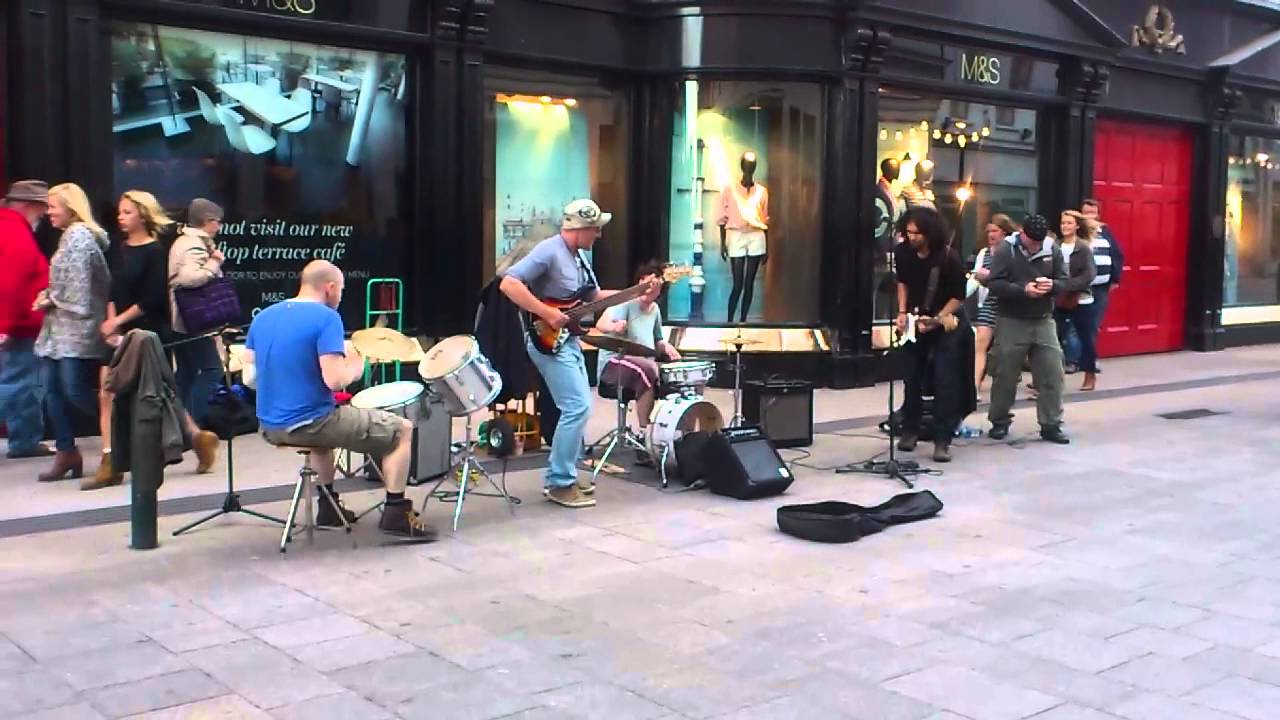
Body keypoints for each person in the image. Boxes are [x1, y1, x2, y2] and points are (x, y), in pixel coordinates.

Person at [242, 260, 435, 539]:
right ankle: (396, 512)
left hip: (269, 426)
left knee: (324, 434)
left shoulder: (264, 317)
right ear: (330, 288)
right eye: (341, 290)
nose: (341, 296)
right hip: (310, 422)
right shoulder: (326, 318)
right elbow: (335, 380)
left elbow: (250, 378)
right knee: (401, 429)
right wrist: (358, 363)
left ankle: (328, 507)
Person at [500, 198, 646, 508]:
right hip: (547, 340)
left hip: (567, 340)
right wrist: (546, 312)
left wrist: (637, 292)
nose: (599, 235)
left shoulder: (579, 258)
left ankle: (562, 475)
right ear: (580, 227)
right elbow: (509, 284)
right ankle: (559, 482)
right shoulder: (548, 251)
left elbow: (593, 297)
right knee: (577, 406)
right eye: (596, 229)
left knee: (578, 407)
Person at [87, 190, 219, 490]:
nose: (121, 218)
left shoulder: (156, 252)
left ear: (143, 215)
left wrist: (118, 322)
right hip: (116, 329)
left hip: (146, 330)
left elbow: (153, 299)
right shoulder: (117, 250)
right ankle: (110, 459)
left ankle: (196, 437)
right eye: (119, 212)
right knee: (107, 392)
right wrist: (110, 323)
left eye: (128, 212)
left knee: (158, 394)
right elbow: (112, 290)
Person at [34, 183, 112, 481]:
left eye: (53, 206)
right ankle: (66, 451)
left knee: (74, 390)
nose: (49, 212)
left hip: (77, 330)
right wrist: (50, 295)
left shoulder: (79, 238)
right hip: (59, 331)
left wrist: (48, 299)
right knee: (52, 391)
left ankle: (122, 428)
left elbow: (76, 294)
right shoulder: (69, 238)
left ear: (71, 207)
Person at [892, 207, 973, 463]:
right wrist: (902, 312)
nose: (911, 237)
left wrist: (937, 320)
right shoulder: (903, 252)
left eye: (917, 233)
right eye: (908, 232)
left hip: (946, 321)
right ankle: (910, 429)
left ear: (929, 233)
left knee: (944, 378)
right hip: (917, 319)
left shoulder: (948, 258)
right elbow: (902, 282)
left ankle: (942, 439)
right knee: (911, 376)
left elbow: (958, 297)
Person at [985, 213, 1071, 444]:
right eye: (1031, 241)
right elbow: (995, 283)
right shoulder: (1006, 249)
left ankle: (1051, 424)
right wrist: (1023, 290)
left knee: (1053, 373)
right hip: (1012, 319)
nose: (1035, 246)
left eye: (1038, 242)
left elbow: (1065, 280)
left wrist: (1053, 285)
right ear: (1022, 233)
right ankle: (999, 421)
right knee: (1005, 374)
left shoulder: (1051, 249)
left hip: (1043, 319)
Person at [596, 261, 681, 452]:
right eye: (646, 284)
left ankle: (675, 433)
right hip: (614, 364)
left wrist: (667, 347)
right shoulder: (626, 302)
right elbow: (602, 323)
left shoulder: (655, 311)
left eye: (655, 286)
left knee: (678, 373)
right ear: (638, 283)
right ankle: (645, 433)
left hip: (642, 364)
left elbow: (657, 341)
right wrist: (614, 327)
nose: (649, 289)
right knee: (648, 369)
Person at [0, 180, 52, 459]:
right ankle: (25, 441)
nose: (44, 217)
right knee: (19, 385)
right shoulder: (16, 233)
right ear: (30, 206)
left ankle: (25, 441)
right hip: (19, 327)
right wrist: (3, 326)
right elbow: (9, 283)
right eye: (42, 211)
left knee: (20, 384)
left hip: (16, 325)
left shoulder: (6, 227)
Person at [168, 199, 228, 429]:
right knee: (212, 369)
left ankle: (176, 423)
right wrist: (214, 263)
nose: (219, 227)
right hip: (195, 320)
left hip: (182, 320)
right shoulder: (194, 244)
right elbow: (189, 278)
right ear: (207, 221)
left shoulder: (183, 241)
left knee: (187, 372)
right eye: (217, 221)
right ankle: (191, 425)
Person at [969, 214, 1016, 396]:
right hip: (989, 301)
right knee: (980, 344)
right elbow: (976, 278)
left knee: (1006, 350)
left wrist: (991, 277)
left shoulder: (1013, 252)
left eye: (995, 231)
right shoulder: (984, 253)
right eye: (988, 231)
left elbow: (1015, 278)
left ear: (1004, 232)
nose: (991, 235)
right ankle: (974, 388)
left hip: (1008, 303)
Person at [1054, 210, 1099, 392]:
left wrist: (1068, 286)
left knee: (1085, 338)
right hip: (1059, 300)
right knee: (1054, 339)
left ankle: (1089, 374)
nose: (1065, 226)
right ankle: (1052, 377)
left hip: (1081, 300)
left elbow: (1089, 275)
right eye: (1063, 223)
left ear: (1077, 226)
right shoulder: (1055, 246)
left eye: (1069, 223)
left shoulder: (1083, 248)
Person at [1079, 198, 1123, 366]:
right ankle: (1073, 360)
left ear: (1098, 214)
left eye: (1092, 212)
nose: (1089, 216)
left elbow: (1117, 255)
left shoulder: (1105, 232)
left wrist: (1115, 279)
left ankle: (1088, 360)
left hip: (1101, 287)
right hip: (1080, 287)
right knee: (1077, 326)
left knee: (1093, 324)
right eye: (1086, 212)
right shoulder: (1076, 232)